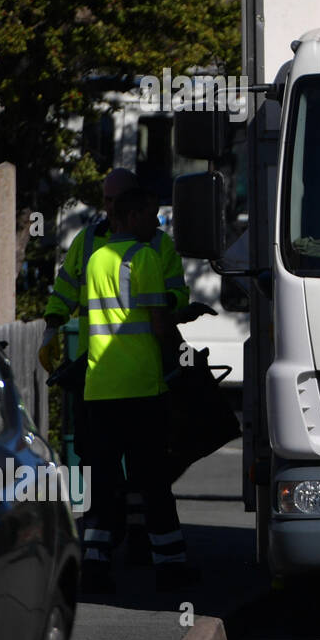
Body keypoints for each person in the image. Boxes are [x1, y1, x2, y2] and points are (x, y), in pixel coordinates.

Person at [40, 168, 212, 562]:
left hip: (103, 376)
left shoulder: (144, 248)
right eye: (104, 199)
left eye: (113, 199)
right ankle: (158, 555)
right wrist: (52, 322)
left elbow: (174, 292)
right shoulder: (97, 244)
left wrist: (175, 310)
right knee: (135, 466)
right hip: (112, 373)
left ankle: (113, 547)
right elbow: (67, 287)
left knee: (115, 467)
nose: (108, 206)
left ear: (128, 202)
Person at [79, 187, 197, 594]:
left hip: (99, 390)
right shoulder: (143, 258)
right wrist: (181, 362)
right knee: (153, 480)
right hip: (142, 389)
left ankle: (94, 564)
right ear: (130, 218)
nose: (157, 224)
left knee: (103, 481)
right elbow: (160, 326)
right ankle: (171, 566)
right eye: (151, 215)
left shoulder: (95, 260)